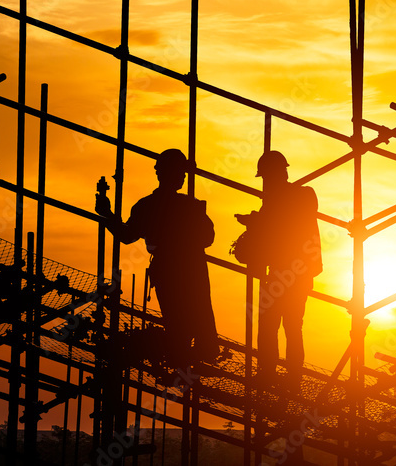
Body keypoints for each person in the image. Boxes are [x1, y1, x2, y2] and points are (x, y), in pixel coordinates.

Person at [95, 148, 219, 363]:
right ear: (169, 174)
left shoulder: (148, 206)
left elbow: (127, 235)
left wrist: (108, 215)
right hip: (190, 268)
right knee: (197, 321)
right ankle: (193, 363)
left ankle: (184, 360)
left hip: (171, 270)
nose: (183, 177)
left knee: (179, 324)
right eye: (180, 173)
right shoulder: (188, 205)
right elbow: (208, 238)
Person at [236, 150, 322, 381]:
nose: (264, 183)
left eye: (265, 178)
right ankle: (287, 376)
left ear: (276, 175)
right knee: (289, 327)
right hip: (294, 273)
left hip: (287, 273)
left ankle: (270, 375)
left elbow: (281, 223)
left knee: (274, 326)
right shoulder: (292, 197)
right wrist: (256, 220)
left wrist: (254, 221)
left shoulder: (298, 196)